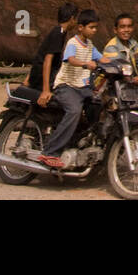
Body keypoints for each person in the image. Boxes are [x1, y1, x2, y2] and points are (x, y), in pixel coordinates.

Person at [38, 9, 105, 170]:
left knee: (100, 104)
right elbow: (70, 59)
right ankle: (50, 151)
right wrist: (85, 64)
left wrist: (120, 64)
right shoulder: (73, 43)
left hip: (82, 88)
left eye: (96, 27)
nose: (94, 30)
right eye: (92, 27)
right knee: (74, 110)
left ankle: (85, 141)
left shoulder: (90, 45)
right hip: (66, 86)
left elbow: (103, 58)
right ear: (80, 27)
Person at [25, 2, 79, 107]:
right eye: (76, 19)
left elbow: (40, 54)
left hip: (39, 75)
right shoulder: (58, 33)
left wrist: (28, 78)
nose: (77, 23)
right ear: (72, 18)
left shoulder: (60, 32)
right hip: (41, 78)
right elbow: (47, 60)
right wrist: (46, 90)